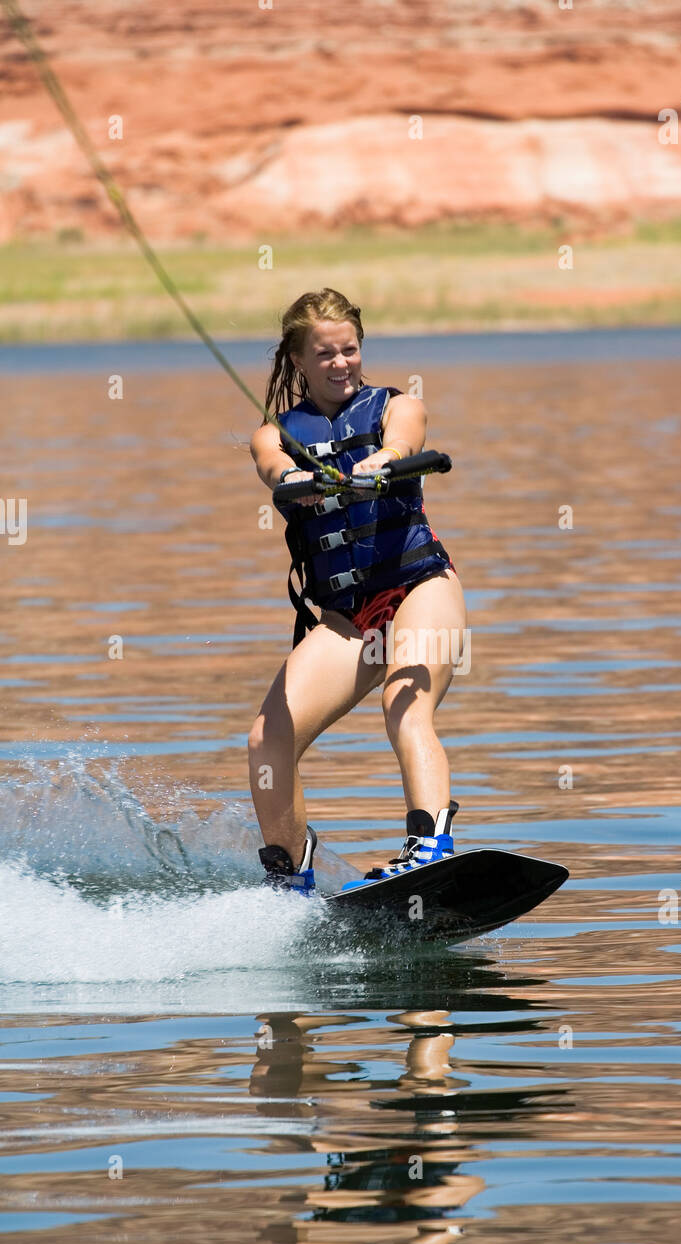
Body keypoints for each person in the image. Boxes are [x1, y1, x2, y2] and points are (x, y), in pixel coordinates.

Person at [248, 288, 467, 894]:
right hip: (349, 616)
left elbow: (408, 434)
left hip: (418, 583)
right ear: (298, 360)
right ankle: (291, 873)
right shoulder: (277, 432)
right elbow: (270, 464)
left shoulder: (395, 405)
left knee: (404, 703)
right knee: (269, 737)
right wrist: (294, 479)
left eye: (349, 350)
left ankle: (430, 845)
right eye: (325, 354)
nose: (341, 363)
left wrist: (384, 461)